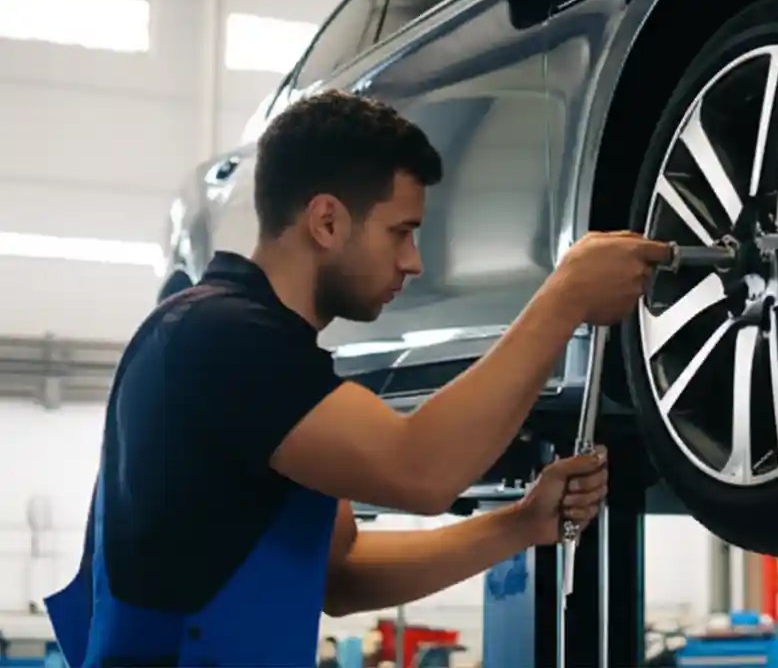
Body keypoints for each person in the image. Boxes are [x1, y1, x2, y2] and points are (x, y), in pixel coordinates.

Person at [44, 89, 672, 667]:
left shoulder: (259, 351)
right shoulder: (219, 338)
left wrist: (519, 524)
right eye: (401, 232)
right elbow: (419, 469)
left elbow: (339, 574)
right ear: (326, 222)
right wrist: (563, 298)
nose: (414, 261)